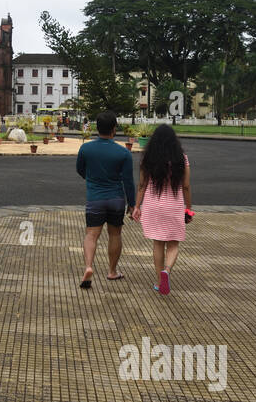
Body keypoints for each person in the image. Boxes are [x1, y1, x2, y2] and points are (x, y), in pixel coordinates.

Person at [75, 111, 136, 288]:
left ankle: (88, 267)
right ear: (114, 129)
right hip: (116, 198)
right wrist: (132, 204)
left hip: (95, 198)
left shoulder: (86, 148)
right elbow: (128, 182)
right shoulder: (123, 153)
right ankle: (112, 271)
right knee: (115, 234)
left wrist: (92, 179)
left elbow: (80, 169)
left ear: (96, 128)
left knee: (91, 235)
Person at [131, 125, 192, 295]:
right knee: (173, 244)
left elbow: (142, 185)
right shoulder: (182, 159)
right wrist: (189, 208)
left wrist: (136, 206)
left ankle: (159, 281)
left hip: (153, 205)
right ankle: (167, 270)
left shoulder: (148, 158)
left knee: (158, 243)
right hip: (174, 205)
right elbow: (186, 186)